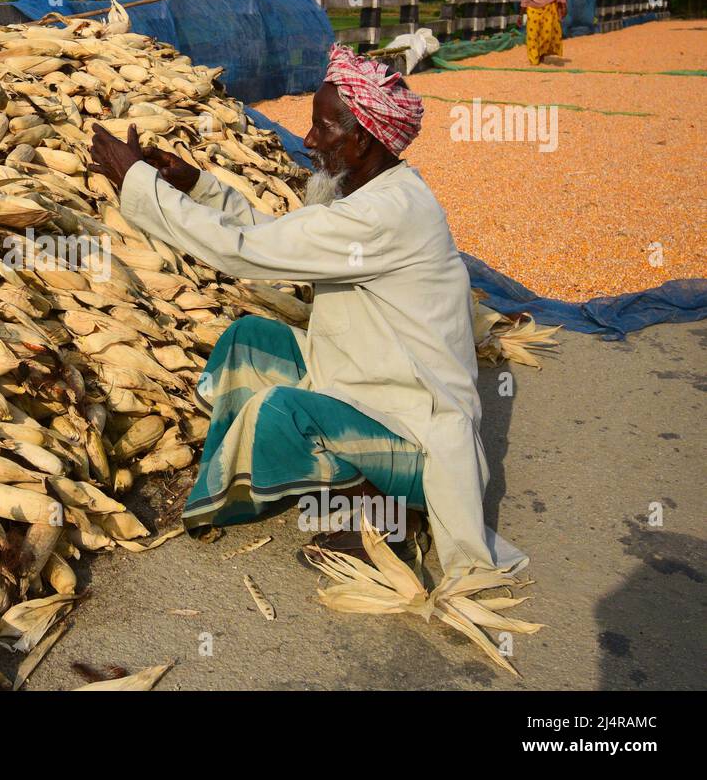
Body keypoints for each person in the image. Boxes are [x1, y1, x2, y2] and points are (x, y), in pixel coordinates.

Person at [88, 44, 525, 577]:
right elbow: (275, 237)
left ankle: (392, 515)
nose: (309, 140)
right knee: (247, 340)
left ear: (362, 138)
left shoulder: (383, 215)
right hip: (368, 385)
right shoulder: (368, 193)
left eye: (323, 128)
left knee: (280, 413)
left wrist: (135, 180)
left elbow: (241, 250)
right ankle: (291, 477)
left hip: (418, 440)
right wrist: (195, 185)